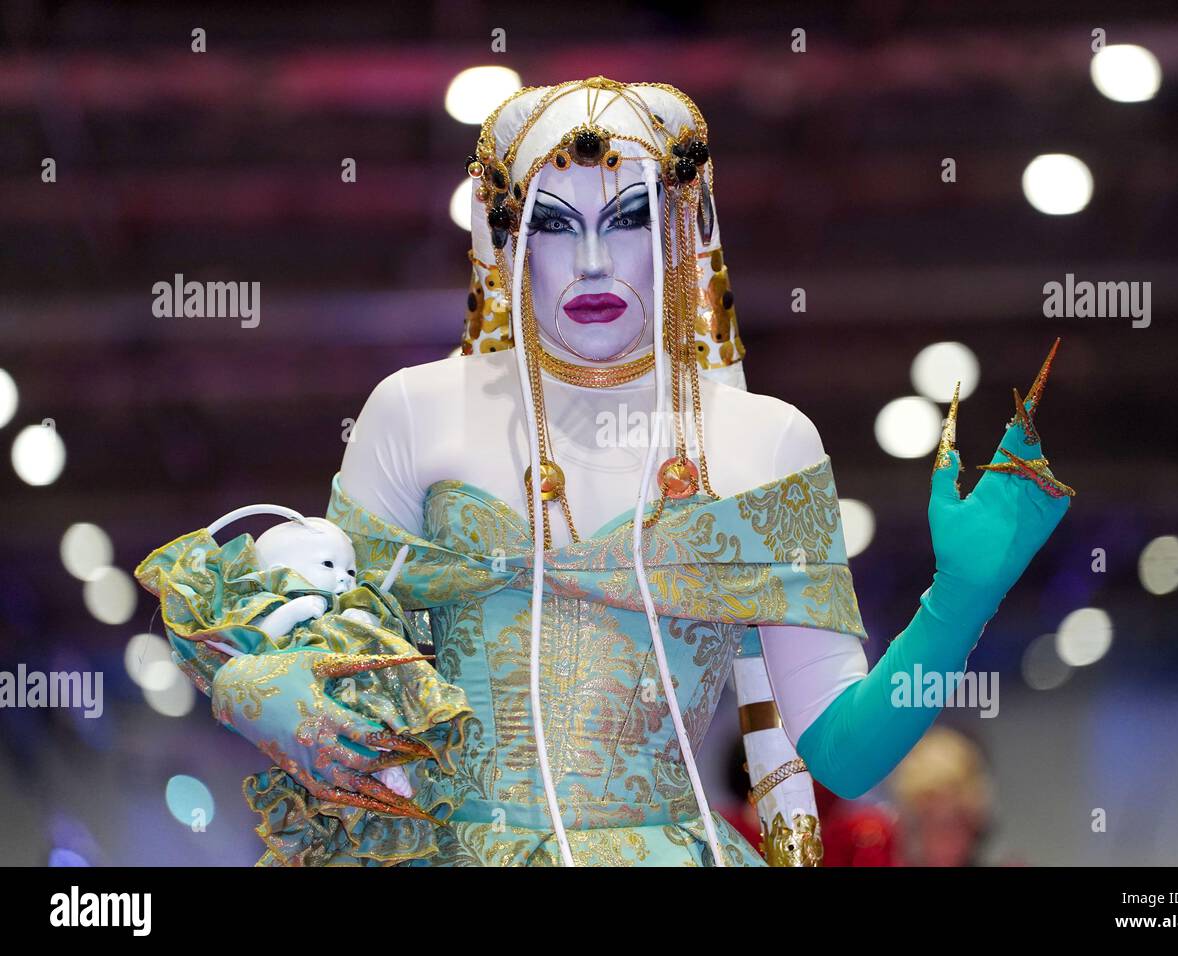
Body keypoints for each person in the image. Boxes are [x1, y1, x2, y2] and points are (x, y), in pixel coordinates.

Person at [151, 77, 1074, 866]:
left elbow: (840, 752)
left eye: (628, 217)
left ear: (679, 225)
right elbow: (334, 660)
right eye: (554, 225)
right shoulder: (413, 412)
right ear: (508, 240)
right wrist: (262, 690)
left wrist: (961, 600)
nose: (593, 261)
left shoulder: (768, 442)